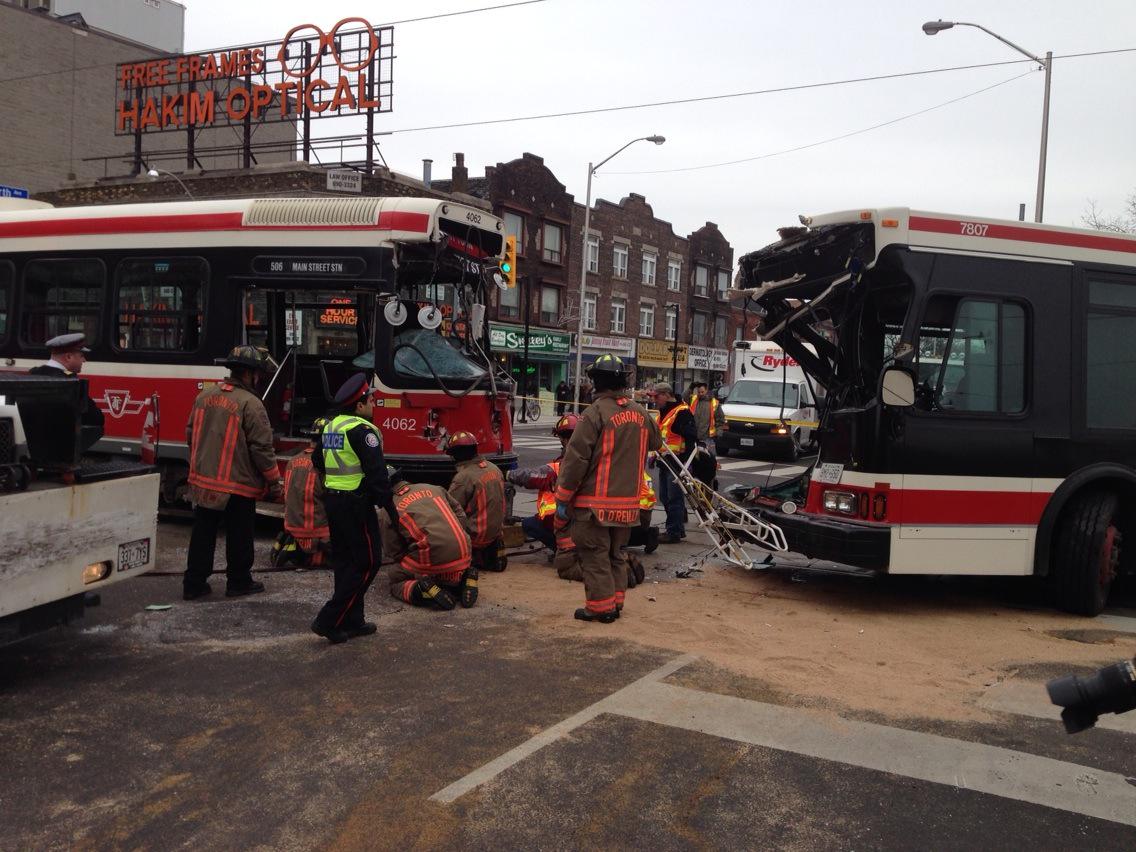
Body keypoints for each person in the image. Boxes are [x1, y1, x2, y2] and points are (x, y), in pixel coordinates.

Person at [555, 353, 662, 623]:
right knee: (616, 555)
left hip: (594, 507)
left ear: (596, 382)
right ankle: (615, 603)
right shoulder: (639, 412)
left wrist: (563, 497)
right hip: (627, 505)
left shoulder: (594, 414)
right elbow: (655, 442)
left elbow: (576, 459)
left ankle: (601, 609)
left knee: (594, 556)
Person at [183, 345, 282, 601]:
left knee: (203, 532)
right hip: (237, 484)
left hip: (204, 480)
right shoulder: (251, 404)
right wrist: (274, 482)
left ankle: (194, 584)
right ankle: (238, 582)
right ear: (251, 374)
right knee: (240, 534)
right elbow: (262, 449)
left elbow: (190, 434)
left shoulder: (204, 396)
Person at [311, 373, 397, 644]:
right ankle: (329, 619)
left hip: (334, 501)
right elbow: (378, 475)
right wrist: (391, 511)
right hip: (356, 504)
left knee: (346, 562)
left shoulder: (330, 426)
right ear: (359, 405)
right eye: (370, 399)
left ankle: (352, 621)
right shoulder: (363, 430)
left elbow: (318, 460)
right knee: (369, 562)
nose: (373, 403)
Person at [383, 467, 477, 611]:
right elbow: (461, 514)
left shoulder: (386, 511)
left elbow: (394, 551)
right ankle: (461, 581)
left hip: (432, 559)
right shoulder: (434, 488)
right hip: (465, 551)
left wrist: (410, 558)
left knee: (395, 576)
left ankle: (421, 591)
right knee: (445, 567)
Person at [506, 413, 579, 552]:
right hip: (584, 522)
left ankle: (560, 549)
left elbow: (531, 477)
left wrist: (508, 474)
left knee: (530, 524)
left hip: (560, 521)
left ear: (563, 439)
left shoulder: (559, 467)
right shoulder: (591, 462)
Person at [29, 332, 104, 452]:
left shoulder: (32, 374)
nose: (84, 360)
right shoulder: (70, 382)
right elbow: (96, 418)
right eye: (81, 355)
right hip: (61, 451)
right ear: (68, 357)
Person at [273, 418, 331, 568]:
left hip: (292, 527)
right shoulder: (325, 464)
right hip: (317, 532)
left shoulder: (293, 461)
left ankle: (291, 545)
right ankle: (309, 557)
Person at [445, 430, 506, 572]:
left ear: (455, 455)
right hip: (495, 534)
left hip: (476, 538)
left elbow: (449, 510)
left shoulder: (464, 477)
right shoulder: (494, 469)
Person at [652, 382, 697, 544]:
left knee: (674, 498)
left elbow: (691, 437)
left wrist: (686, 464)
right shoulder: (662, 413)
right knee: (665, 497)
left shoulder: (682, 412)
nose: (655, 400)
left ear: (666, 395)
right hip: (664, 461)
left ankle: (674, 532)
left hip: (677, 462)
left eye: (657, 396)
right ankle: (677, 528)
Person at [689, 381, 727, 456]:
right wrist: (691, 387)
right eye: (699, 392)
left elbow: (720, 420)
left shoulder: (714, 403)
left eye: (702, 392)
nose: (700, 394)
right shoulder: (693, 399)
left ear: (706, 391)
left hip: (707, 438)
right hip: (693, 437)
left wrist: (719, 433)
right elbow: (684, 397)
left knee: (708, 460)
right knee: (694, 460)